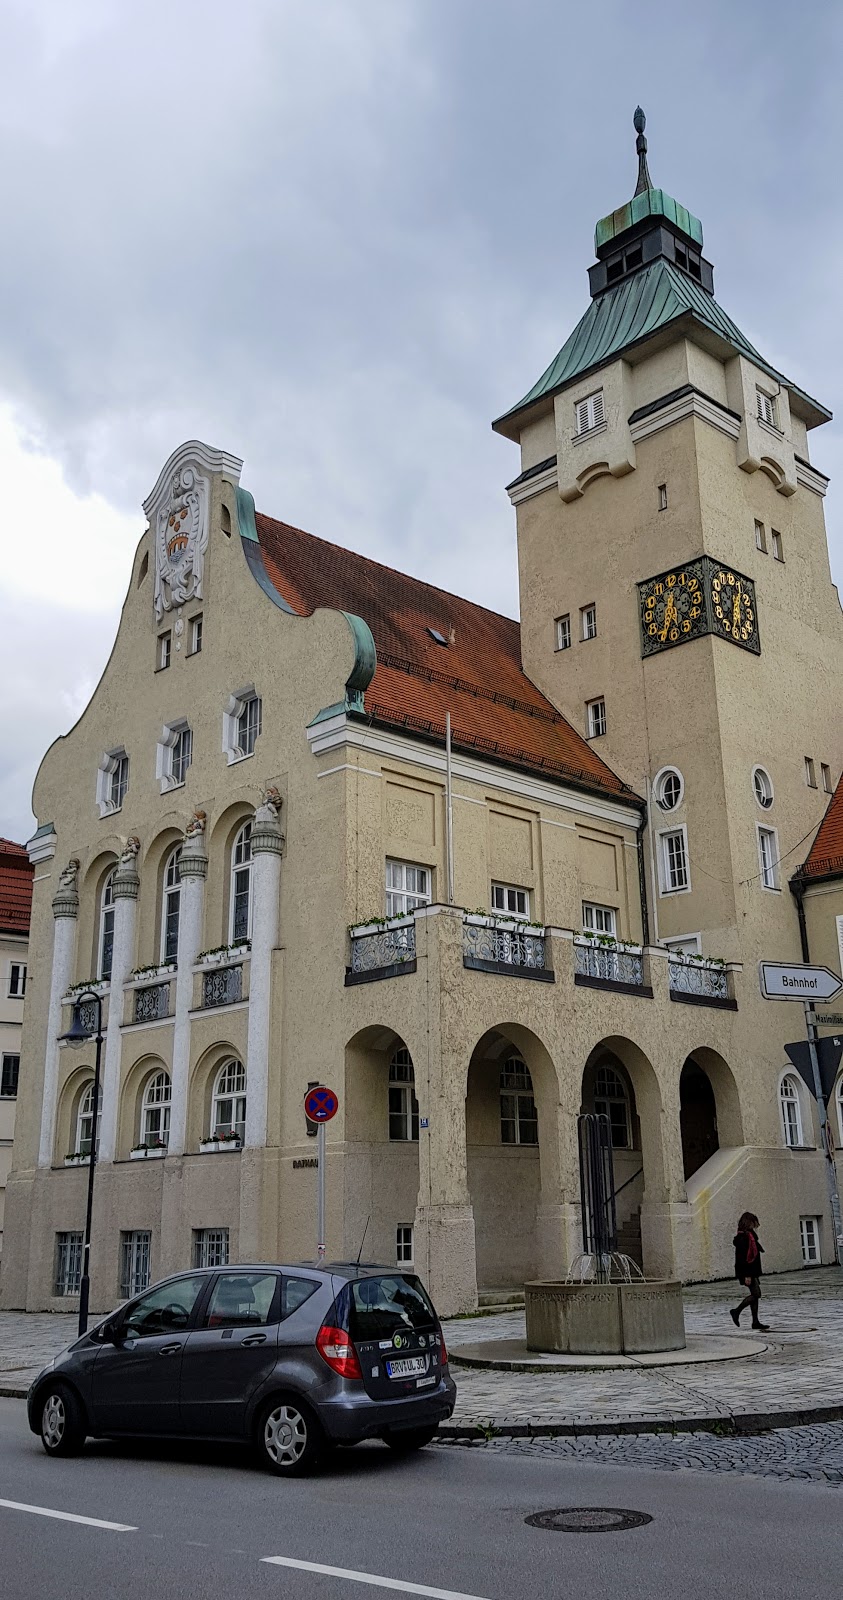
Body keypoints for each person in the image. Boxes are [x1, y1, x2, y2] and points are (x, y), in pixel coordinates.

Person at [730, 1212, 769, 1331]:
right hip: (747, 1271)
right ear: (749, 1222)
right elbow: (743, 1258)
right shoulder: (743, 1238)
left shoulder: (750, 1236)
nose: (756, 1225)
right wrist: (747, 1275)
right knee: (756, 1294)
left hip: (752, 1271)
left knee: (755, 1295)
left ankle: (755, 1322)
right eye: (754, 1222)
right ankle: (736, 1311)